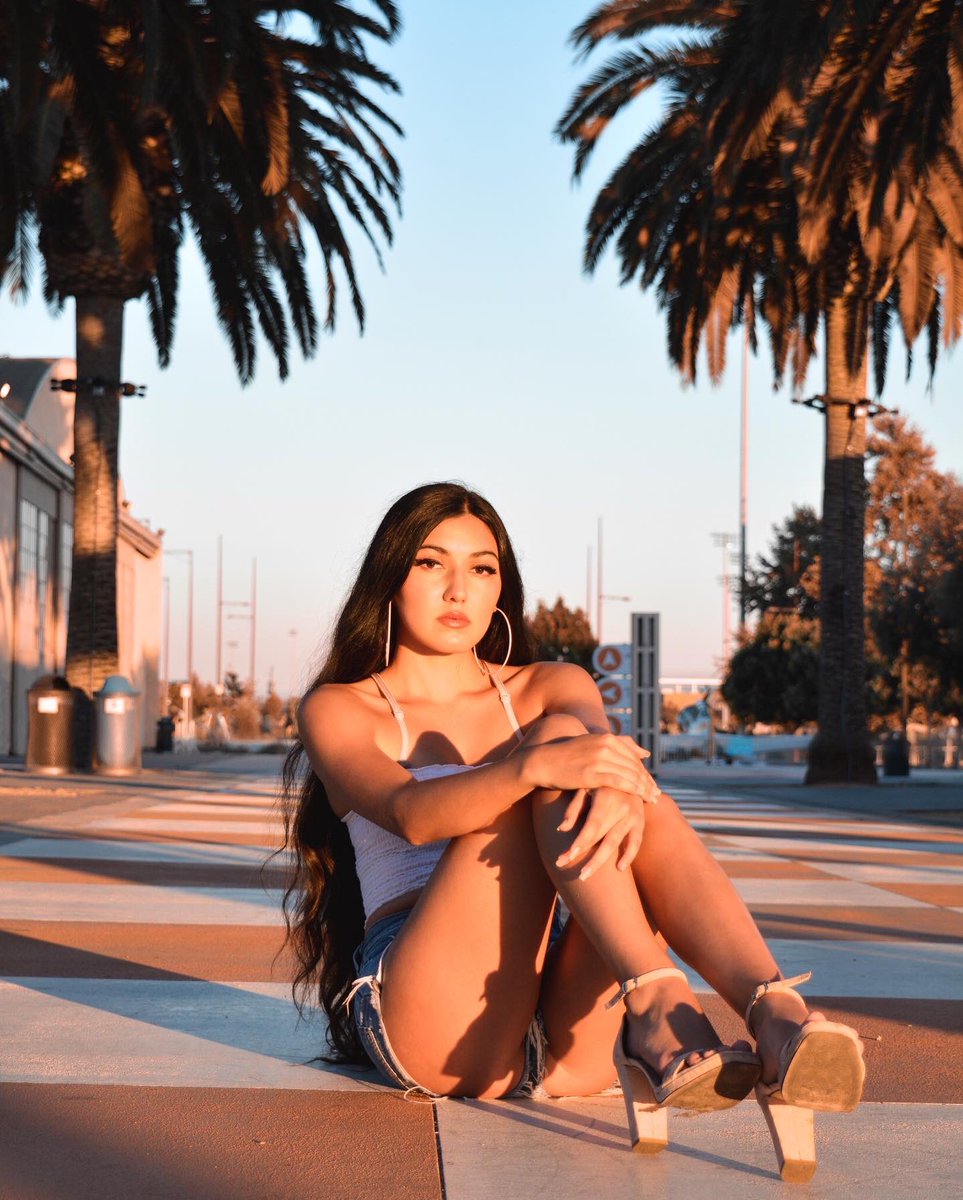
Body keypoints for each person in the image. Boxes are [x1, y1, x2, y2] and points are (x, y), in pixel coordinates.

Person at [282, 482, 864, 1180]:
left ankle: (773, 1013)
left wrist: (606, 781)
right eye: (432, 564)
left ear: (502, 586)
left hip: (575, 1027)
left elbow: (612, 784)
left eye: (482, 567)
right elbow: (412, 812)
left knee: (592, 759)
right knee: (564, 747)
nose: (458, 589)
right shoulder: (341, 708)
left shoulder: (550, 683)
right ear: (391, 576)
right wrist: (536, 764)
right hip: (437, 1016)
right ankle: (657, 997)